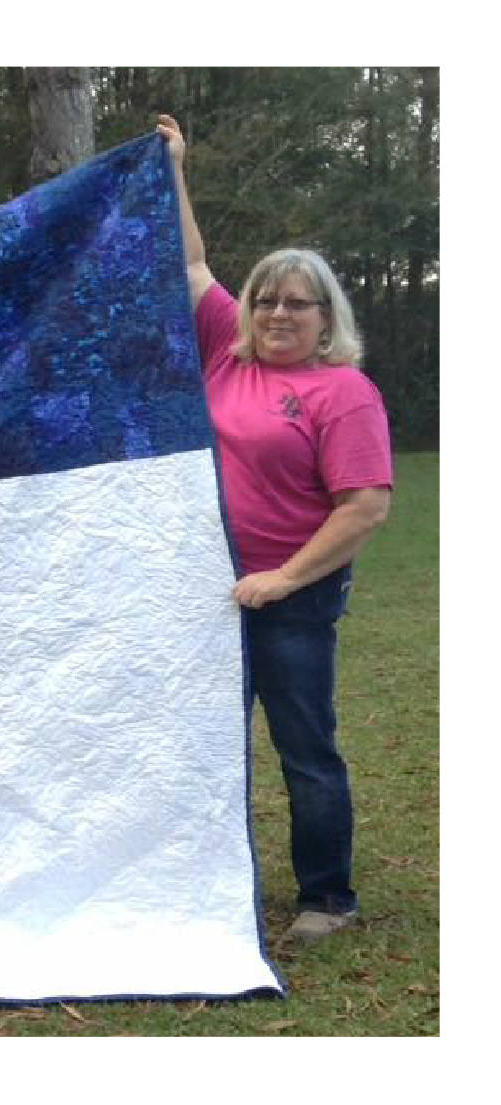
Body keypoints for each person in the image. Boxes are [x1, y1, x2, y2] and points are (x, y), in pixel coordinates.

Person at [156, 115, 393, 943]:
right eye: (267, 297)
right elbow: (191, 265)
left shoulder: (342, 393)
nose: (278, 311)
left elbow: (364, 506)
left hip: (290, 598)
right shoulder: (228, 351)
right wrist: (177, 166)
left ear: (326, 319)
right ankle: (209, 886)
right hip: (211, 593)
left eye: (298, 302)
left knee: (304, 749)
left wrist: (286, 578)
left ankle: (329, 898)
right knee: (204, 747)